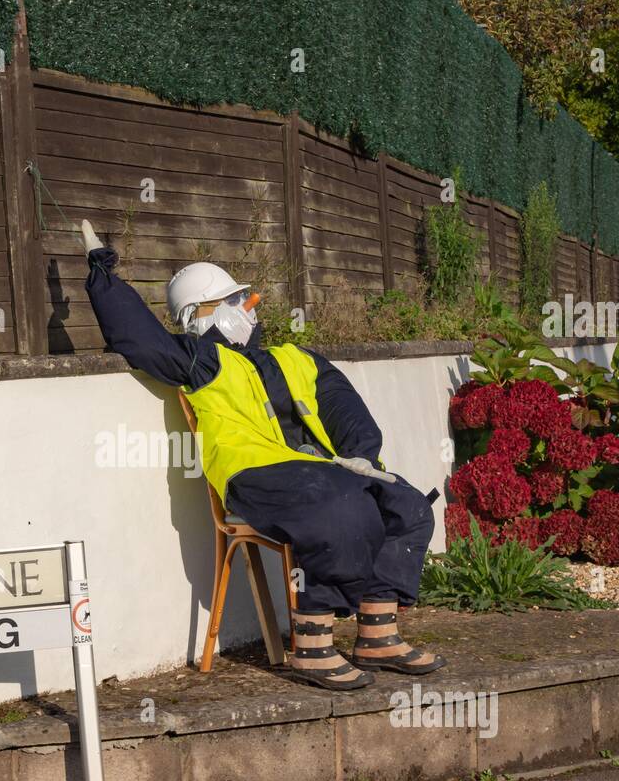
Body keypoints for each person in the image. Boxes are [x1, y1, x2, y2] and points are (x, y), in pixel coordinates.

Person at [81, 220, 446, 690]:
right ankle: (312, 644)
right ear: (201, 314)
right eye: (234, 301)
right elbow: (137, 336)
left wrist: (364, 461)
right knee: (341, 507)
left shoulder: (295, 357)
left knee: (407, 503)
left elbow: (344, 407)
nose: (247, 308)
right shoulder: (201, 359)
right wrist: (102, 273)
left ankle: (377, 634)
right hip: (256, 476)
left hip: (321, 473)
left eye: (246, 299)